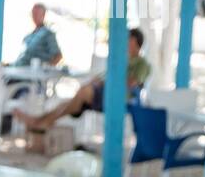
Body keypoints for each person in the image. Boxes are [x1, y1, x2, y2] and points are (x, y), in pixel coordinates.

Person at [15, 27, 151, 132]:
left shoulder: (142, 63)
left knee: (81, 94)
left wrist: (104, 82)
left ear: (134, 41)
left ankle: (42, 122)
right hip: (100, 93)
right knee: (69, 101)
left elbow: (132, 83)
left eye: (128, 39)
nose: (125, 42)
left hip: (116, 97)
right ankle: (40, 121)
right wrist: (95, 82)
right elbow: (101, 77)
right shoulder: (121, 60)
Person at [11, 3, 62, 69]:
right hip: (17, 69)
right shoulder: (28, 36)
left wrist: (45, 69)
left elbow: (58, 56)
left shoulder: (48, 33)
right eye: (33, 13)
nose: (34, 16)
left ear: (43, 15)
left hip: (32, 75)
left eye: (37, 13)